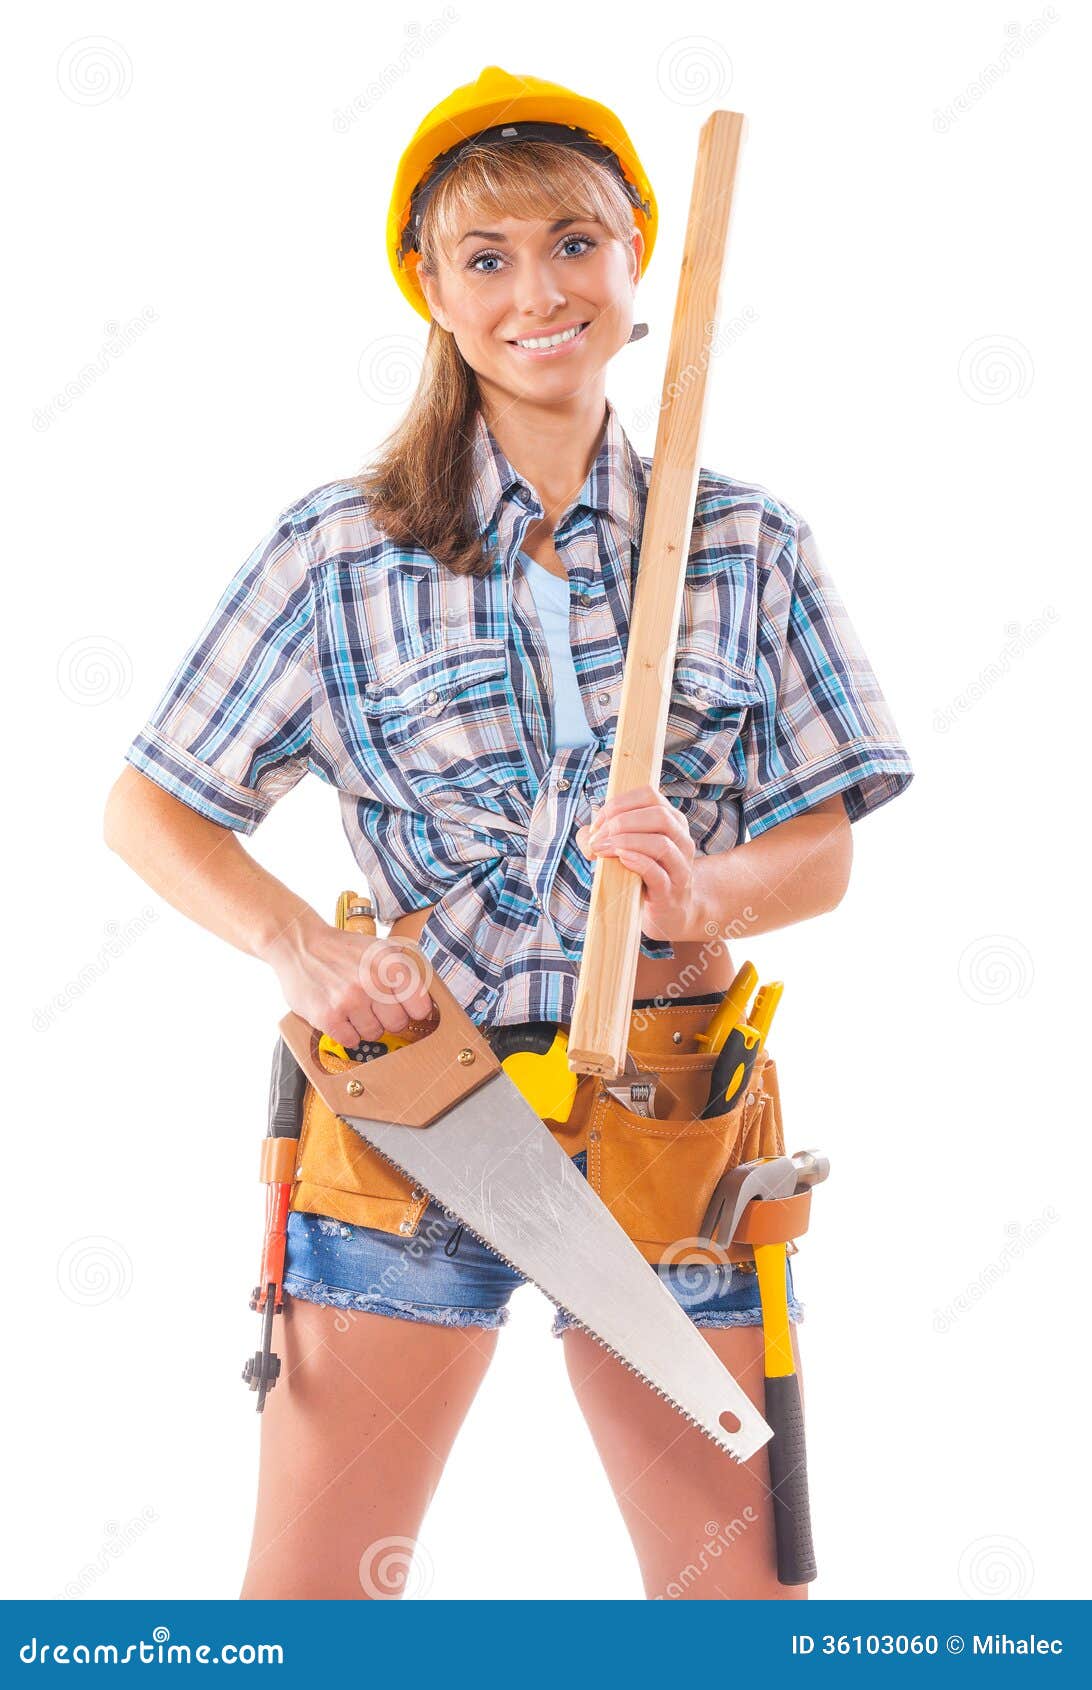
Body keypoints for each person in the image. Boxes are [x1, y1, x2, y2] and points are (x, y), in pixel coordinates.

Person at [104, 67, 914, 1601]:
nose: (538, 291)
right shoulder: (337, 551)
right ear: (432, 286)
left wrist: (704, 886)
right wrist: (304, 945)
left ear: (634, 265)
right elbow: (149, 808)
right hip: (425, 1110)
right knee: (316, 1613)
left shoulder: (748, 545)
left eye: (573, 245)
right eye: (487, 258)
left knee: (736, 1612)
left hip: (675, 1117)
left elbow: (823, 849)